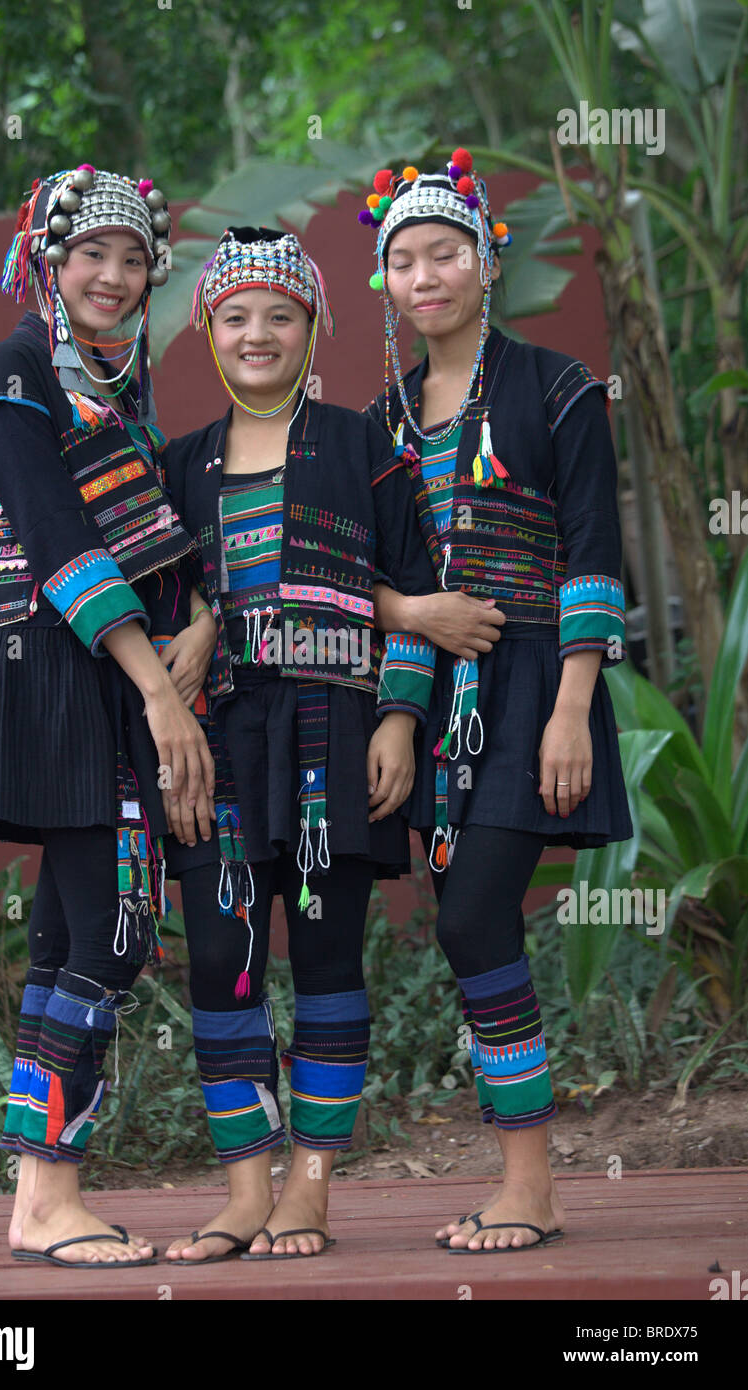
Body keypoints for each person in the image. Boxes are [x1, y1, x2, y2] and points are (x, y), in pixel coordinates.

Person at [359, 148, 633, 1252]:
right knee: (461, 921)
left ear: (485, 260)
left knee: (474, 912)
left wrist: (572, 704)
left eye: (445, 252)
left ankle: (530, 1180)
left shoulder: (556, 387)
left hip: (534, 686)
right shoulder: (384, 421)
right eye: (404, 260)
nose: (426, 275)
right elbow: (385, 578)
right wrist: (393, 706)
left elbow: (594, 553)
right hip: (440, 704)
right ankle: (523, 1172)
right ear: (385, 282)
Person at [0, 165, 217, 1267]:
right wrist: (162, 693)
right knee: (113, 930)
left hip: (103, 678)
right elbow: (61, 548)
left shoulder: (113, 393)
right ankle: (53, 1194)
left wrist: (197, 625)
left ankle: (36, 1197)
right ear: (47, 260)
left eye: (133, 259)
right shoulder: (15, 374)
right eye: (91, 255)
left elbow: (157, 550)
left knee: (71, 937)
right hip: (59, 678)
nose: (113, 276)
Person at [162, 226, 439, 1262]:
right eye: (235, 316)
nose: (257, 333)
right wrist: (195, 624)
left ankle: (311, 1186)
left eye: (279, 314)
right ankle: (244, 1190)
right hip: (219, 747)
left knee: (326, 962)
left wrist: (403, 717)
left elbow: (407, 588)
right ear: (207, 330)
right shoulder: (179, 464)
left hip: (335, 733)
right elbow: (162, 608)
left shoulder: (361, 443)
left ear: (312, 325)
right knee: (223, 967)